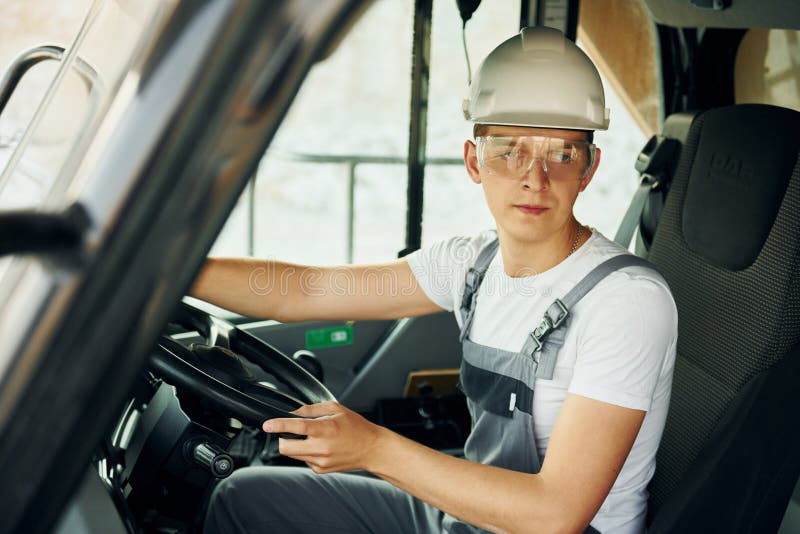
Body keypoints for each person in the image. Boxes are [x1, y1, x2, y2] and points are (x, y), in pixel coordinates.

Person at [196, 26, 677, 534]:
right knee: (245, 498)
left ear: (590, 168)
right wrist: (170, 278)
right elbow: (305, 290)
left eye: (561, 153)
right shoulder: (470, 265)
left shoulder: (626, 302)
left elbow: (555, 513)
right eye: (509, 149)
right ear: (474, 162)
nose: (534, 177)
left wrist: (375, 448)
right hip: (473, 519)